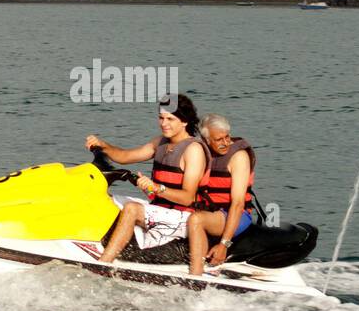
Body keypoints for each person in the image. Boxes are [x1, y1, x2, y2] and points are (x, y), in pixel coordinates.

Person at [85, 93, 209, 263]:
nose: (164, 124)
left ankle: (104, 262)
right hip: (160, 210)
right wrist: (103, 145)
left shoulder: (193, 150)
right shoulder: (161, 142)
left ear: (184, 121)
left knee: (132, 208)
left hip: (183, 218)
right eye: (161, 118)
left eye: (170, 119)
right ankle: (87, 241)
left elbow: (188, 197)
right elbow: (125, 156)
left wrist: (157, 188)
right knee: (108, 199)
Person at [187, 114, 256, 276]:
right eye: (219, 140)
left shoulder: (238, 157)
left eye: (227, 137)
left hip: (236, 214)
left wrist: (224, 244)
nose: (226, 143)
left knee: (197, 219)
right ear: (206, 140)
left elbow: (238, 204)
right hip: (211, 212)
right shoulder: (200, 153)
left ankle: (195, 277)